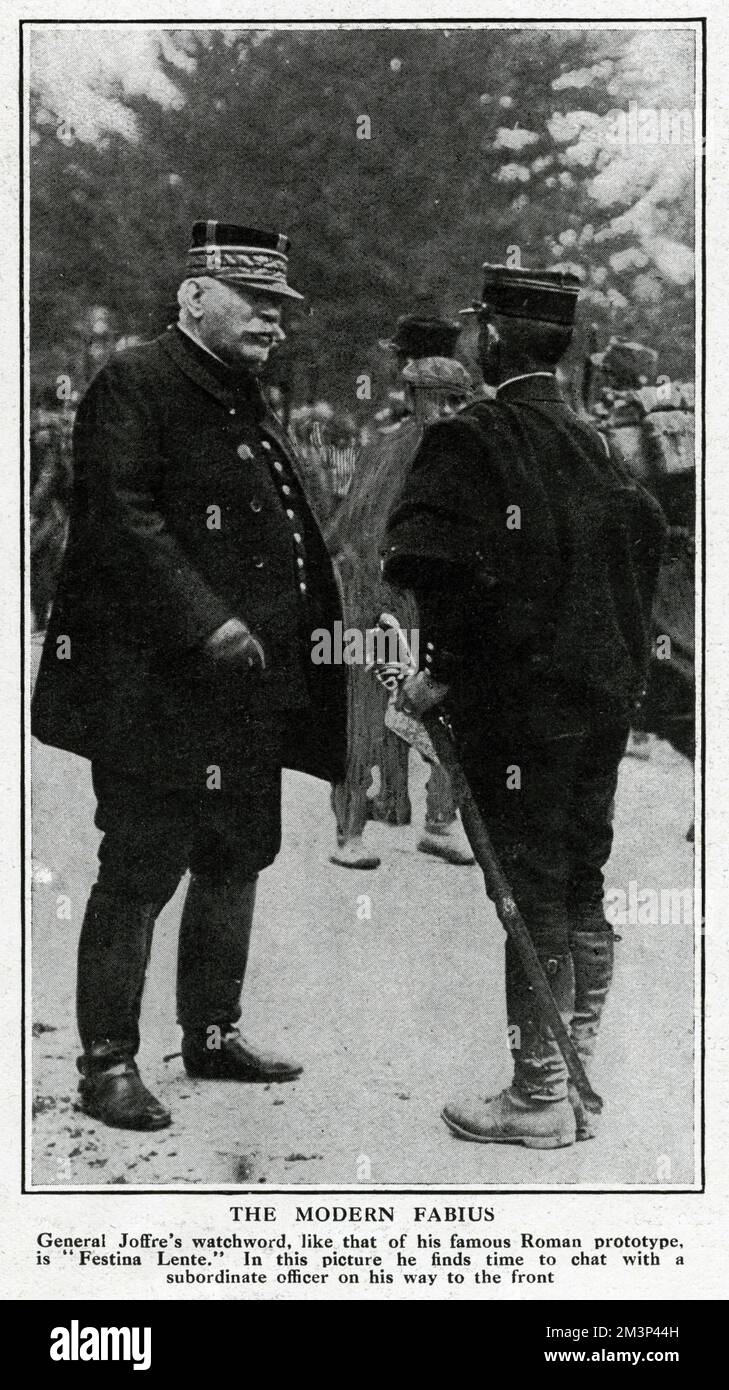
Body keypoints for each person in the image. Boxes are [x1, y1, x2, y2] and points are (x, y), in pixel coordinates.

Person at [32, 220, 345, 1131]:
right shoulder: (136, 381)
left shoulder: (240, 391)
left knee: (237, 854)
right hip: (153, 690)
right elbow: (120, 519)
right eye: (255, 303)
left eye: (281, 308)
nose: (274, 322)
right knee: (137, 866)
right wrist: (206, 620)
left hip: (247, 689)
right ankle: (108, 1065)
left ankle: (210, 1034)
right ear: (194, 297)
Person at [383, 264, 666, 1148]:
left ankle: (538, 1093)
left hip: (520, 711)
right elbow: (644, 550)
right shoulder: (595, 444)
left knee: (530, 893)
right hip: (600, 704)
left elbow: (431, 565)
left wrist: (438, 672)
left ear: (491, 337)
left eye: (477, 327)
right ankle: (574, 1077)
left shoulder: (471, 438)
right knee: (578, 883)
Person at [329, 336, 475, 870]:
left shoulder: (459, 450)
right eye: (442, 398)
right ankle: (350, 830)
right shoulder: (390, 449)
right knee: (365, 714)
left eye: (460, 399)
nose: (451, 410)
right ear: (418, 397)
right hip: (378, 595)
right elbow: (349, 525)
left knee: (447, 705)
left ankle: (440, 820)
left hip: (429, 597)